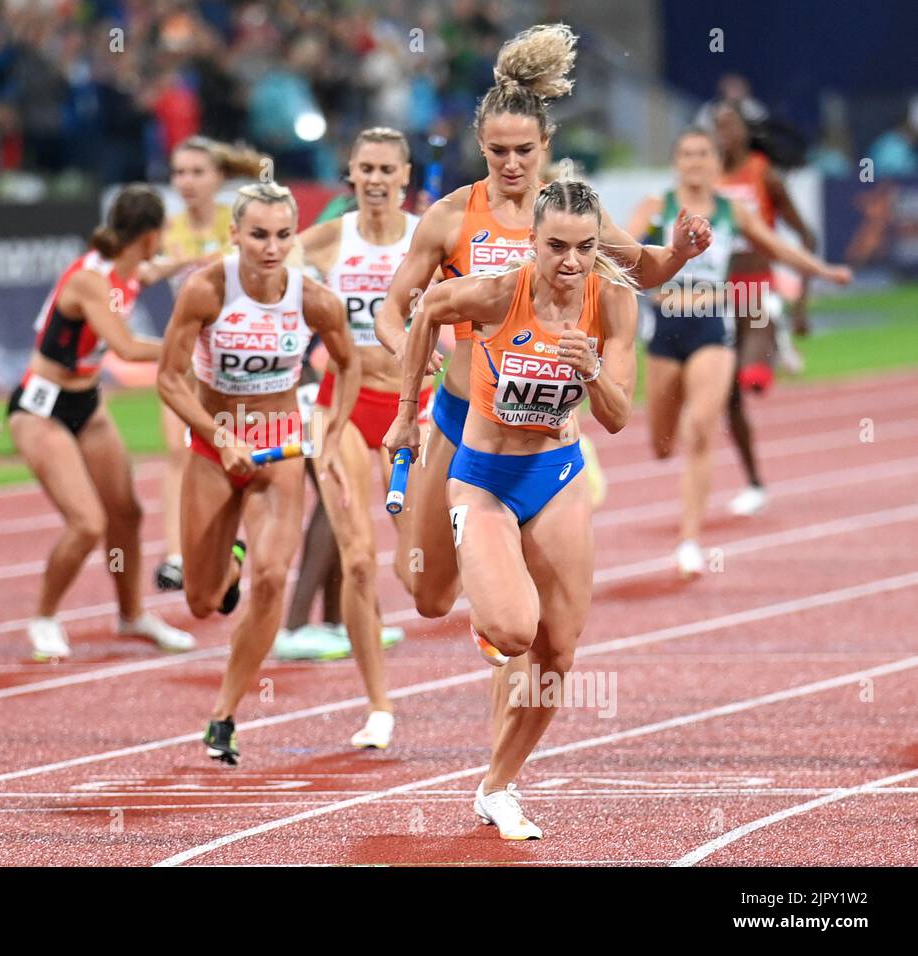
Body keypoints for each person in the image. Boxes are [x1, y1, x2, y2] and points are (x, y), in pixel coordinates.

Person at [375, 23, 712, 622]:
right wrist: (409, 348)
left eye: (524, 151)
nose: (511, 163)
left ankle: (507, 618)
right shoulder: (451, 217)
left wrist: (681, 253)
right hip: (461, 415)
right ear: (480, 143)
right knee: (425, 594)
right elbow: (395, 308)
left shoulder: (573, 216)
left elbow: (644, 270)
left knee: (534, 614)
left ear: (546, 143)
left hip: (545, 414)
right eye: (498, 151)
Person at [385, 180, 639, 839]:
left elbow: (616, 418)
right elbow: (427, 310)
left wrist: (592, 372)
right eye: (556, 246)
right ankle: (490, 606)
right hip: (486, 480)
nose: (570, 262)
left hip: (557, 474)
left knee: (559, 653)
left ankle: (498, 784)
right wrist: (407, 416)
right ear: (533, 241)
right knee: (516, 632)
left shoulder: (610, 303)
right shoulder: (499, 294)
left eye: (585, 248)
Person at [157, 181, 359, 765]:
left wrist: (330, 430)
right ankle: (230, 565)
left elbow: (347, 367)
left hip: (280, 452)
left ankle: (223, 714)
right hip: (214, 448)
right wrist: (219, 436)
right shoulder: (205, 291)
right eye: (258, 235)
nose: (270, 248)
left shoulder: (315, 300)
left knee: (274, 579)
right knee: (200, 601)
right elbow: (169, 379)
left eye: (281, 235)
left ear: (293, 237)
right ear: (235, 235)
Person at [627, 129, 852, 576]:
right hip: (667, 328)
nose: (694, 162)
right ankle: (681, 496)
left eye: (703, 154)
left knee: (702, 429)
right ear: (677, 161)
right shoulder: (658, 205)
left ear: (716, 163)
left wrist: (824, 271)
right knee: (661, 443)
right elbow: (623, 249)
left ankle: (689, 540)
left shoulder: (733, 212)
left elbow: (780, 248)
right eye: (687, 154)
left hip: (712, 326)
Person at [274, 126, 434, 747]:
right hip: (338, 405)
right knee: (359, 560)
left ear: (403, 176)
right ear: (352, 174)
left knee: (421, 572)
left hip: (409, 405)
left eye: (385, 169)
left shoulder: (428, 236)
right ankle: (378, 707)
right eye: (363, 168)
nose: (373, 179)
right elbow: (261, 269)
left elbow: (477, 293)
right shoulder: (329, 239)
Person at [10, 184, 194, 661]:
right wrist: (195, 345)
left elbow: (150, 272)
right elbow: (129, 348)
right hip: (40, 409)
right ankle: (44, 618)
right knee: (87, 522)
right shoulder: (93, 279)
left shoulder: (128, 266)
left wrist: (204, 259)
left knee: (126, 512)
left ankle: (131, 615)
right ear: (151, 235)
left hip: (86, 404)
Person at [138, 136, 263, 595]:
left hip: (240, 357)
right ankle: (176, 556)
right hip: (188, 354)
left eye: (197, 172)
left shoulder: (240, 221)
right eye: (178, 173)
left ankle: (231, 545)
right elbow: (139, 269)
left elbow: (246, 261)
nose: (186, 182)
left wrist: (177, 263)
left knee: (235, 457)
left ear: (218, 178)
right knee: (177, 454)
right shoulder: (167, 228)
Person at [713, 101, 819, 517]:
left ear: (745, 130)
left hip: (756, 288)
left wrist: (803, 305)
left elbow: (806, 236)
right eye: (717, 127)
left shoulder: (764, 174)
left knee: (752, 376)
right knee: (728, 395)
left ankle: (776, 341)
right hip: (718, 294)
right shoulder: (707, 179)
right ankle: (755, 483)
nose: (724, 134)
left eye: (730, 125)